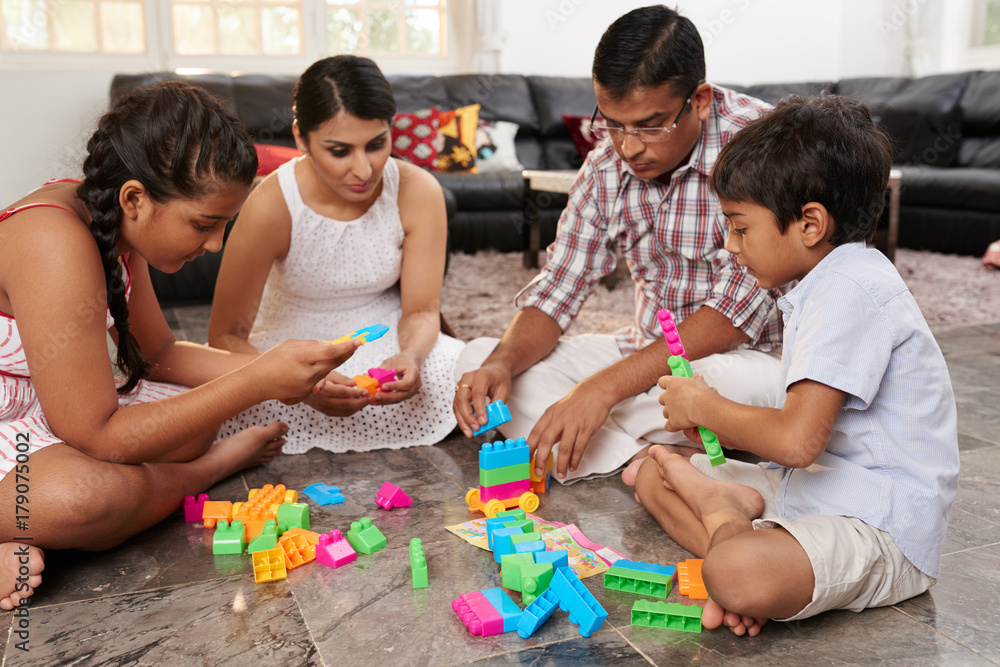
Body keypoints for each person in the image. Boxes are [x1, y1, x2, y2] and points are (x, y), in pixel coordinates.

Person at [0, 82, 360, 610]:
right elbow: (102, 438)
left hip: (41, 403)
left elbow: (159, 355)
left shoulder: (113, 220)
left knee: (190, 422)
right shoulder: (52, 241)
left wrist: (290, 377)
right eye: (204, 224)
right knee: (89, 498)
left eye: (223, 225)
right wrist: (258, 381)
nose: (214, 245)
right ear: (136, 198)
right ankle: (201, 474)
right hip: (41, 417)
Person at [636, 94, 960, 636]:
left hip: (882, 527)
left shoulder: (850, 288)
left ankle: (725, 524)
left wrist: (708, 407)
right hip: (816, 488)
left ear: (809, 224)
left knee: (733, 572)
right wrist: (712, 417)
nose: (729, 245)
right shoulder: (822, 282)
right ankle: (734, 524)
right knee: (651, 475)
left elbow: (797, 442)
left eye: (740, 227)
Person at [454, 5, 785, 482]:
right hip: (645, 353)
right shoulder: (608, 164)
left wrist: (602, 391)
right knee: (481, 361)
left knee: (711, 385)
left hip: (754, 359)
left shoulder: (763, 146)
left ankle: (604, 440)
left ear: (701, 100)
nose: (628, 147)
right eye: (611, 123)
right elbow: (559, 288)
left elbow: (732, 319)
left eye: (650, 126)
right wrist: (503, 364)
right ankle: (644, 462)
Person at [208, 55, 464, 454]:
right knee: (220, 404)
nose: (363, 170)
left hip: (387, 336)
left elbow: (421, 311)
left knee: (463, 372)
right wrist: (299, 386)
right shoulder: (272, 203)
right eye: (340, 151)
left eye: (377, 144)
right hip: (289, 348)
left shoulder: (419, 191)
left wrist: (410, 357)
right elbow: (224, 337)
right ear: (300, 138)